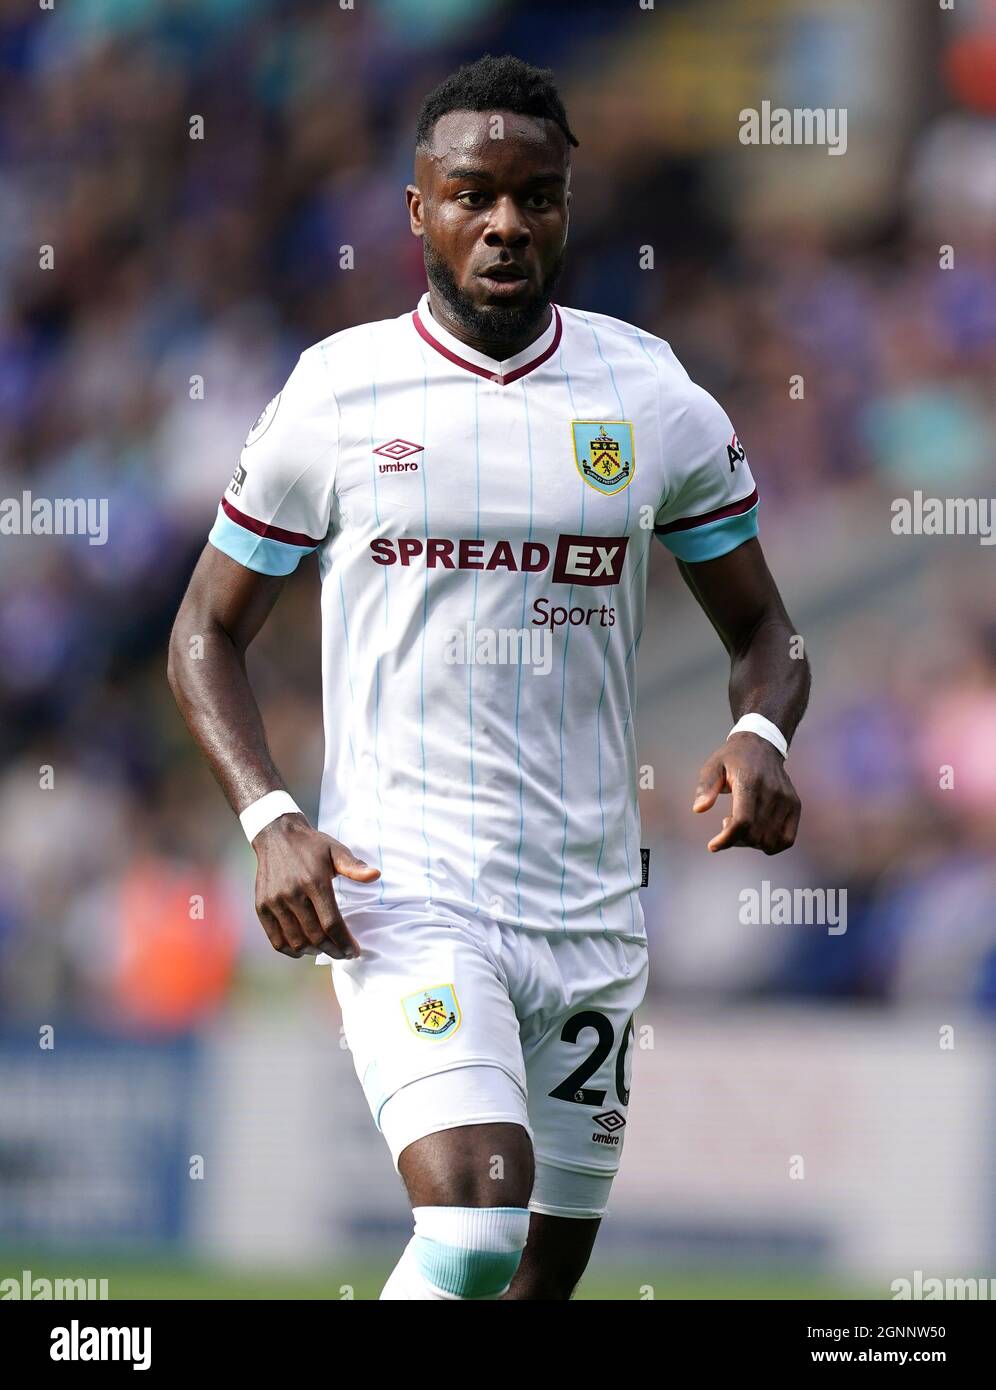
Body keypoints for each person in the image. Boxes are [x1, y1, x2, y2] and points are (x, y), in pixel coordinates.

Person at [168, 53, 810, 1301]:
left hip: (590, 909)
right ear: (421, 210)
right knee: (472, 1227)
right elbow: (204, 631)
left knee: (530, 1284)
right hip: (406, 886)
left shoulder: (653, 396)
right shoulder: (339, 393)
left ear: (568, 208)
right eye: (474, 196)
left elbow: (768, 629)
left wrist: (764, 737)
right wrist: (269, 815)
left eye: (536, 197)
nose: (506, 223)